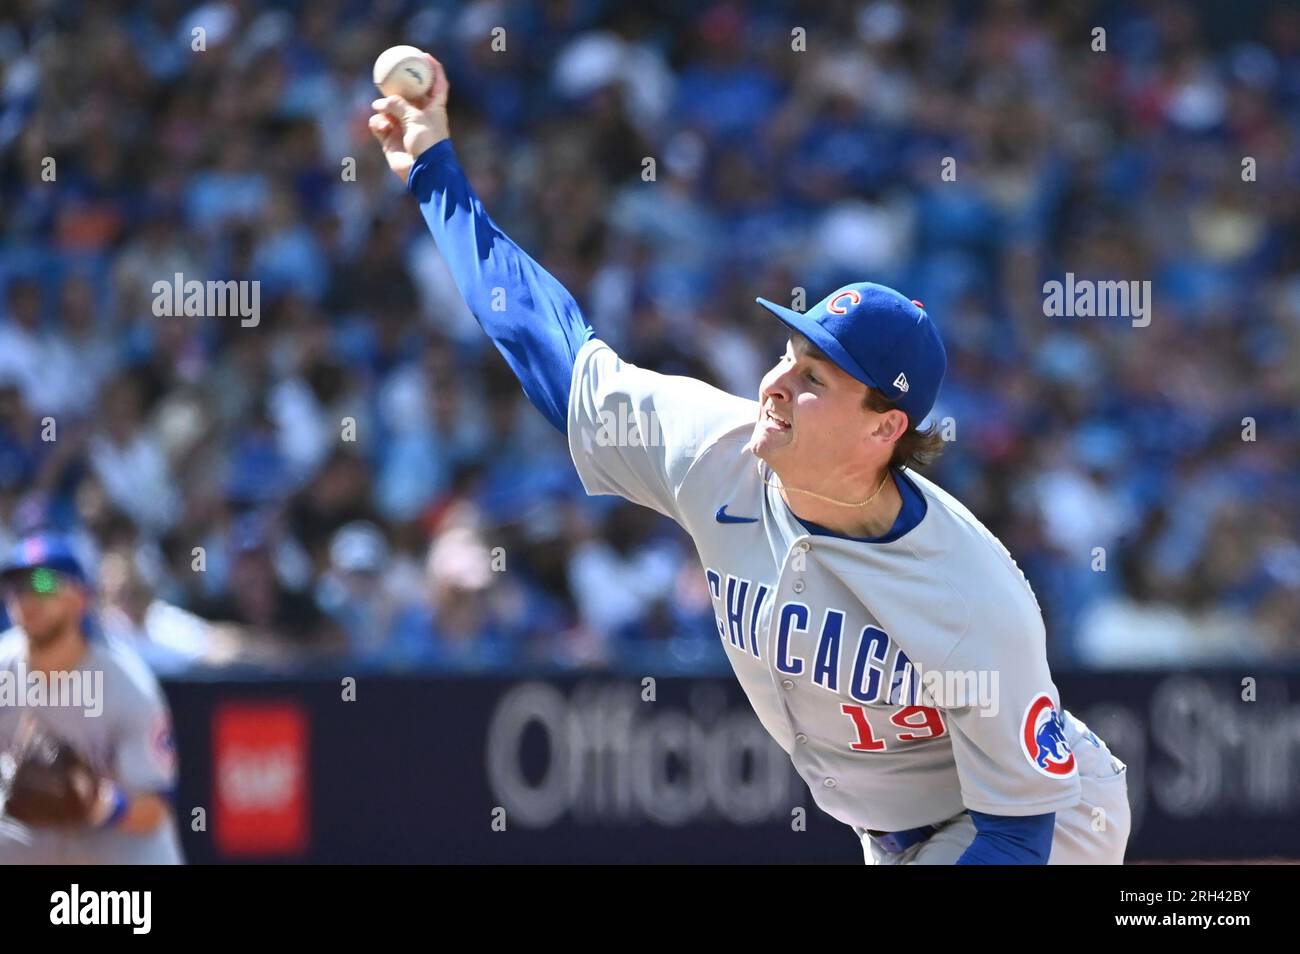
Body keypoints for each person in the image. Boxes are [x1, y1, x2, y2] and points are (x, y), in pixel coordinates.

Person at [369, 53, 1130, 864]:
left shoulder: (973, 595)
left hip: (1042, 829)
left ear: (884, 428)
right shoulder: (715, 449)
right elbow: (544, 341)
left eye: (813, 379)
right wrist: (434, 169)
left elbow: (1017, 832)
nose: (773, 384)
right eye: (785, 355)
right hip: (892, 833)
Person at [0, 533, 183, 863]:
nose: (26, 597)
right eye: (15, 586)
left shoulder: (127, 685)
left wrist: (96, 802)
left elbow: (156, 806)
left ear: (78, 598)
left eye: (41, 582)